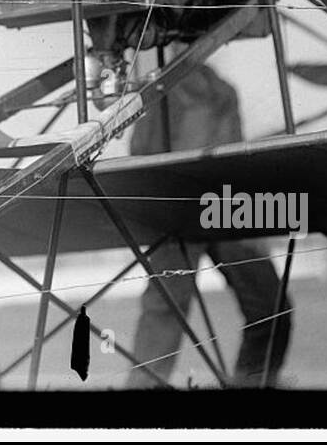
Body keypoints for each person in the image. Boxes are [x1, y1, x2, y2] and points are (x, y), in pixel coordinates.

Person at [125, 63, 292, 388]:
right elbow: (141, 153)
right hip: (179, 211)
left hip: (225, 207)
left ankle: (253, 384)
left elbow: (237, 157)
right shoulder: (159, 91)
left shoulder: (222, 89)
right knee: (164, 312)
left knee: (271, 305)